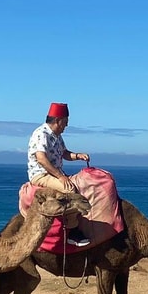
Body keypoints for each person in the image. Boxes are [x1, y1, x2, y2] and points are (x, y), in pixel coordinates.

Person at [27, 102, 90, 246]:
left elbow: (65, 154)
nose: (66, 126)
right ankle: (72, 231)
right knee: (69, 190)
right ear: (58, 120)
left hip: (55, 173)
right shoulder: (41, 134)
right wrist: (60, 177)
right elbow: (41, 159)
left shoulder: (56, 136)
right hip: (41, 174)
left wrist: (78, 155)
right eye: (65, 122)